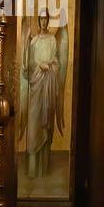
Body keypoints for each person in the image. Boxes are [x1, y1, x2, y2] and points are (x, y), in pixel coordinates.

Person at [17, 11, 65, 179]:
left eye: (46, 18)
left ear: (48, 20)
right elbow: (27, 67)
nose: (44, 21)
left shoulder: (52, 40)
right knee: (33, 123)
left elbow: (57, 64)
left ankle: (43, 169)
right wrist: (38, 67)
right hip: (35, 88)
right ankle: (32, 169)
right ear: (38, 21)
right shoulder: (34, 41)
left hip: (48, 88)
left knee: (46, 124)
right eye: (41, 18)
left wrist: (50, 67)